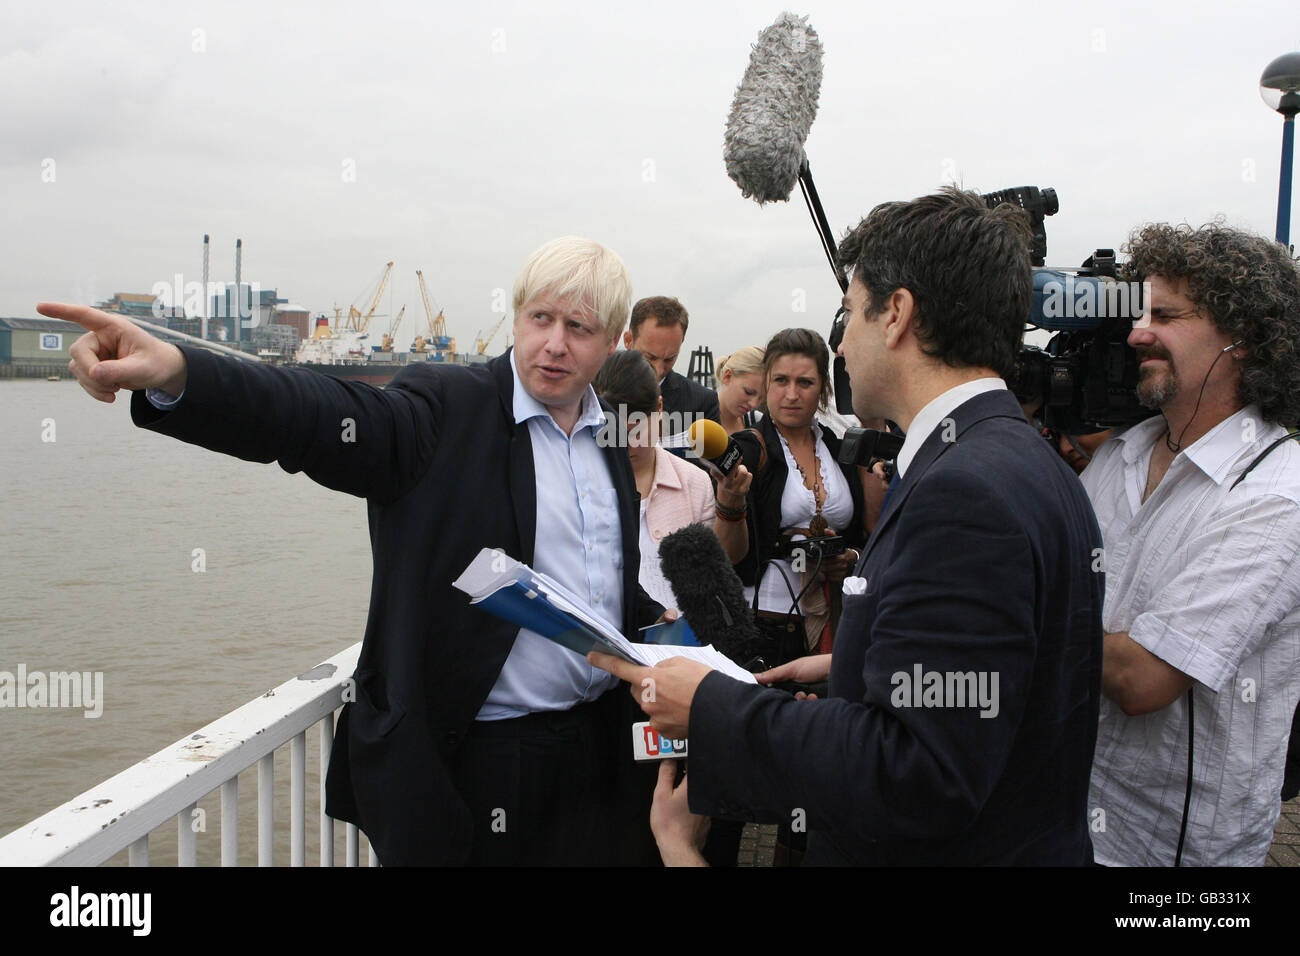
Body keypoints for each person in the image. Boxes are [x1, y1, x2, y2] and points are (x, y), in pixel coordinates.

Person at [43, 236, 667, 866]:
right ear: (518, 316)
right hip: (476, 760)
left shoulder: (608, 434)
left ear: (613, 340)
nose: (555, 343)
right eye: (541, 318)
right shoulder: (445, 410)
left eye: (579, 328)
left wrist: (658, 626)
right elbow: (313, 415)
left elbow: (597, 576)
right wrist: (182, 373)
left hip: (599, 754)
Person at [591, 187, 1105, 865]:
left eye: (849, 312)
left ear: (896, 314)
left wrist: (714, 710)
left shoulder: (963, 493)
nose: (841, 340)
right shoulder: (1020, 460)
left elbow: (917, 772)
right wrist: (854, 667)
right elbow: (993, 684)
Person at [1080, 221, 1300, 866]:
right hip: (1073, 820)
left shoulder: (1275, 496)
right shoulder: (1121, 452)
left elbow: (1142, 678)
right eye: (1140, 313)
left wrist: (992, 634)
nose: (1136, 333)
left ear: (1246, 340)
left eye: (1166, 316)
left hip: (1175, 857)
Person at [716, 329, 865, 663]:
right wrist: (731, 501)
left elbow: (868, 534)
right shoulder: (749, 450)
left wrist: (848, 558)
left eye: (805, 383)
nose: (792, 394)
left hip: (836, 615)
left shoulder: (838, 448)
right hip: (765, 620)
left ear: (823, 388)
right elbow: (728, 555)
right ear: (766, 383)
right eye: (781, 380)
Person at [592, 348, 750, 612]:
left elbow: (723, 561)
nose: (627, 443)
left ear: (660, 408)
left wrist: (731, 504)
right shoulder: (581, 479)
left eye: (637, 430)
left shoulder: (694, 482)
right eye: (613, 430)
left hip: (681, 641)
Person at [624, 295, 720, 431]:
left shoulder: (702, 403)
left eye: (670, 359)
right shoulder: (592, 388)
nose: (658, 369)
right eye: (650, 357)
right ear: (628, 340)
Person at [714, 346, 765, 435]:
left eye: (762, 398)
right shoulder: (693, 417)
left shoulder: (758, 421)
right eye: (748, 392)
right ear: (728, 376)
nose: (754, 404)